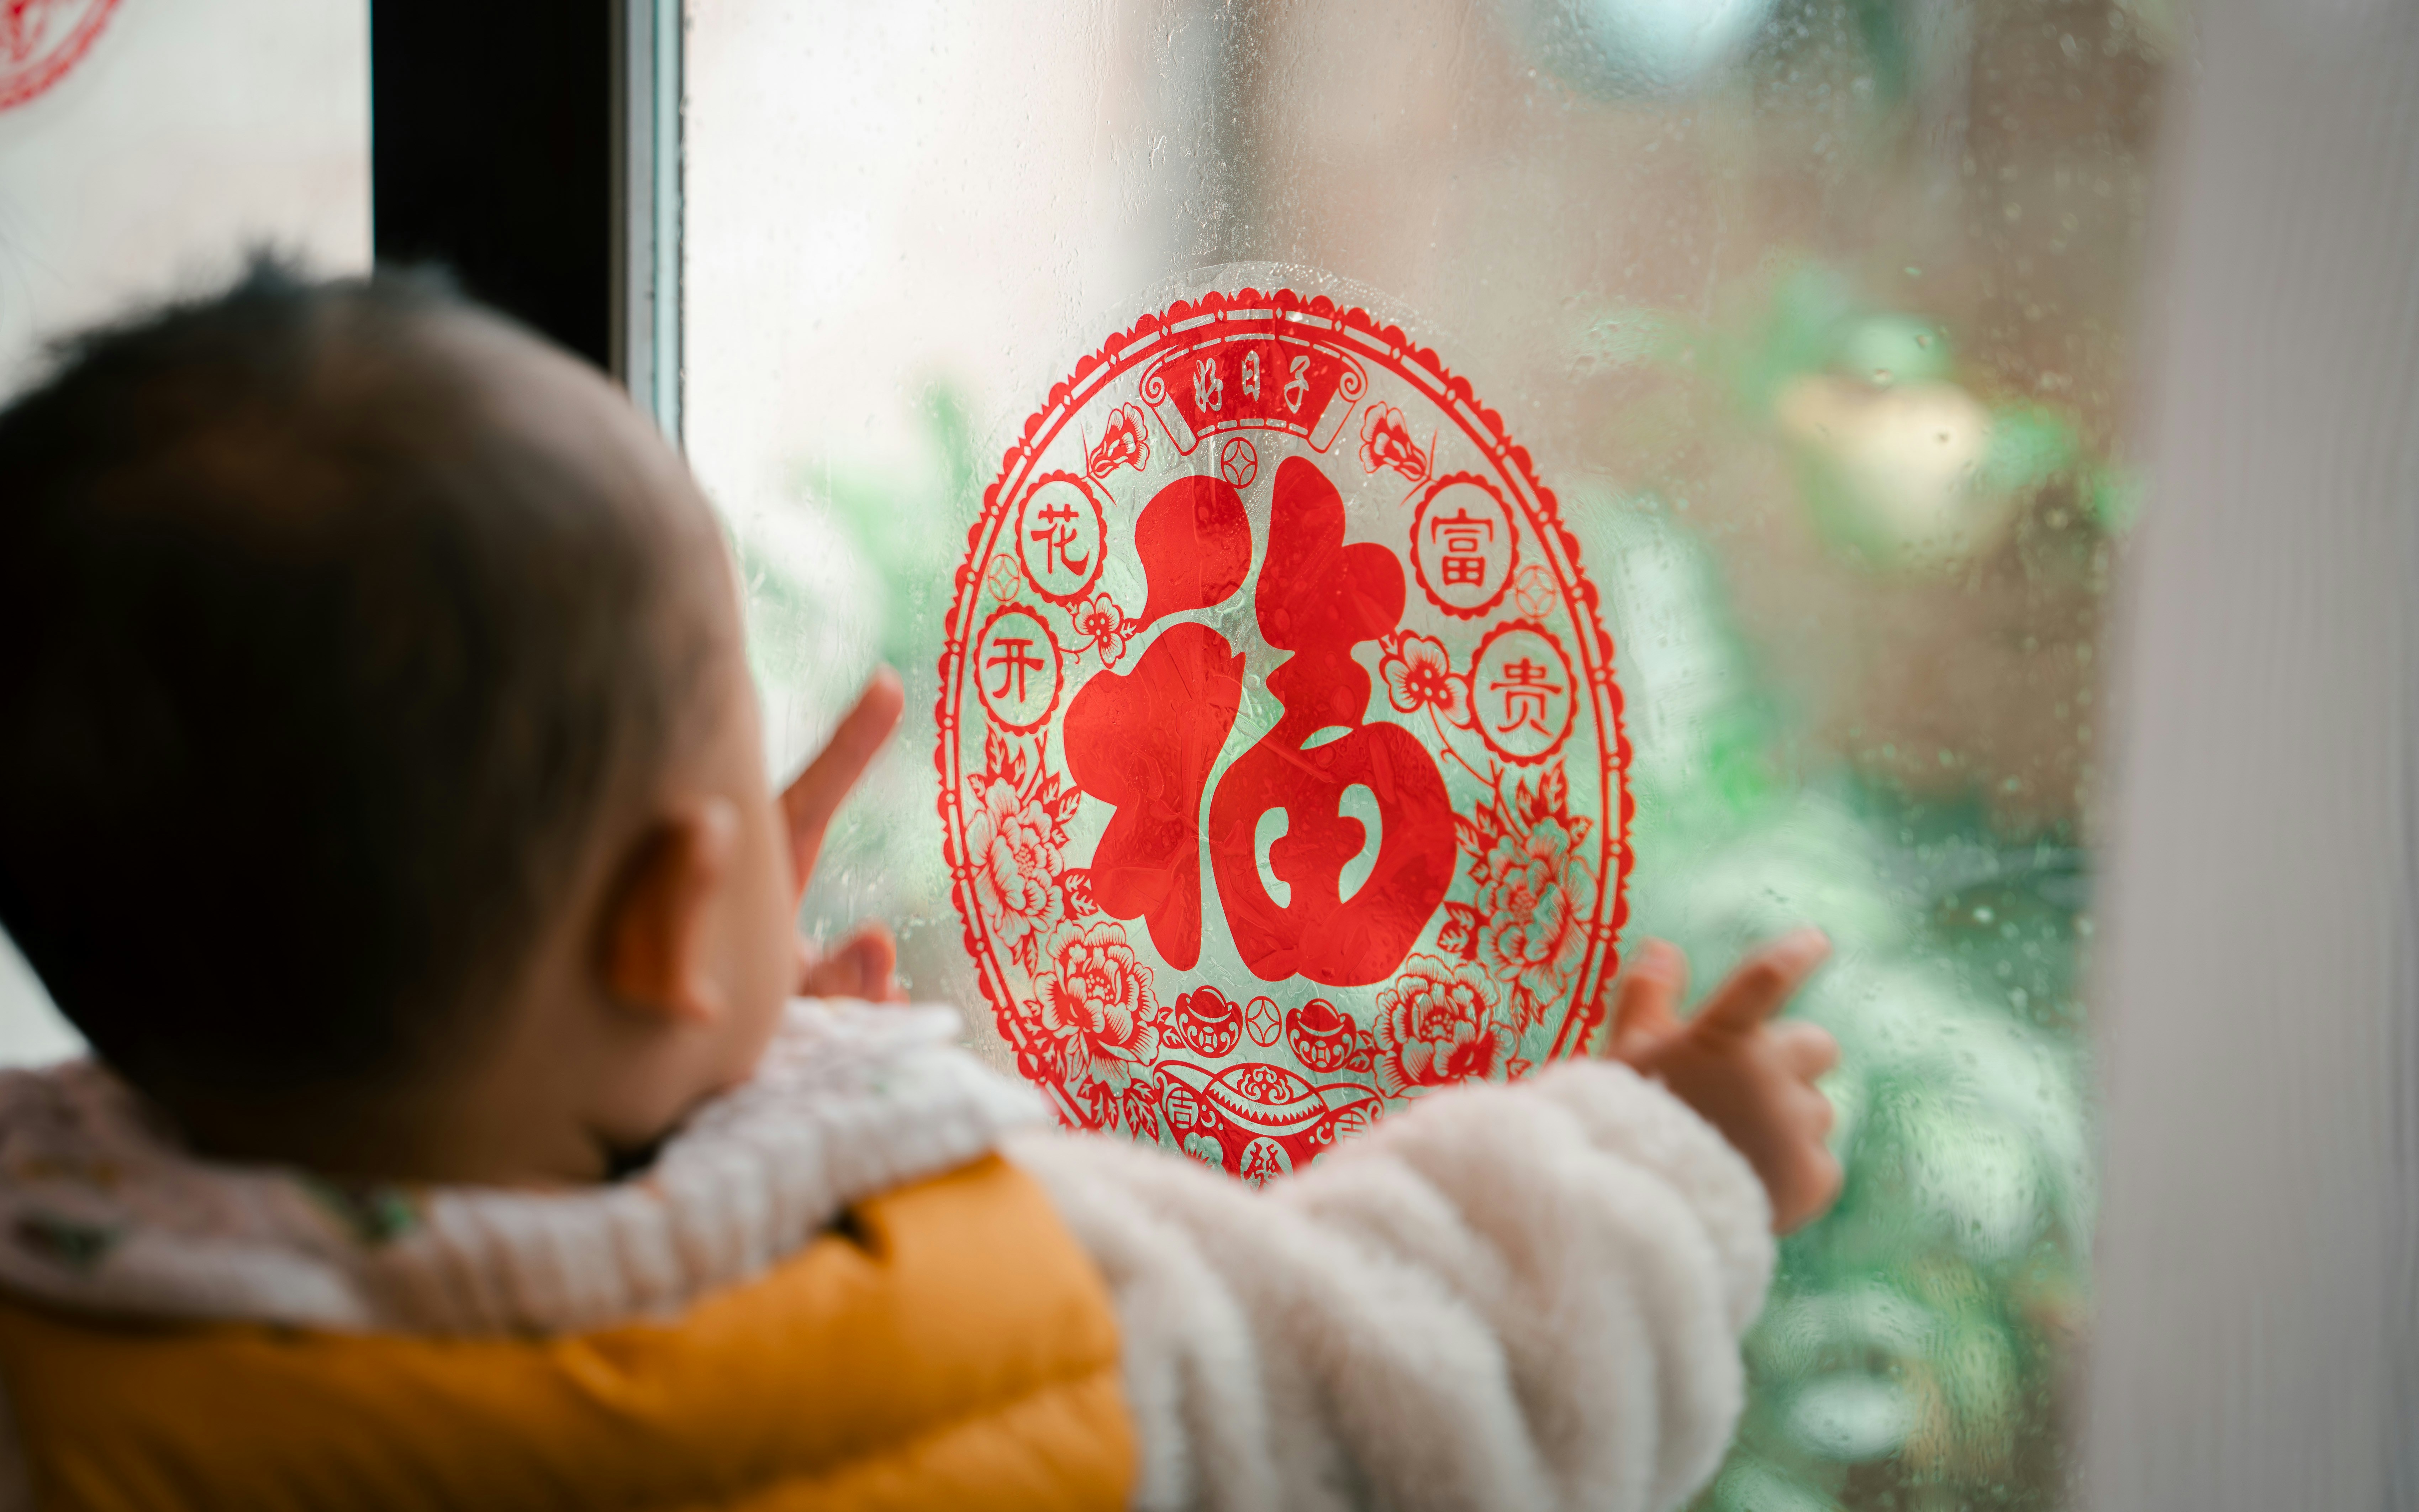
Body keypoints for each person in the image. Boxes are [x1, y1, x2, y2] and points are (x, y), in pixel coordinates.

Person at [0, 263, 1840, 1512]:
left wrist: (699, 1056)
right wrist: (1674, 1159)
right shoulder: (1002, 1315)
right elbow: (1439, 1381)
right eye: (735, 747)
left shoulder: (59, 1372)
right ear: (661, 925)